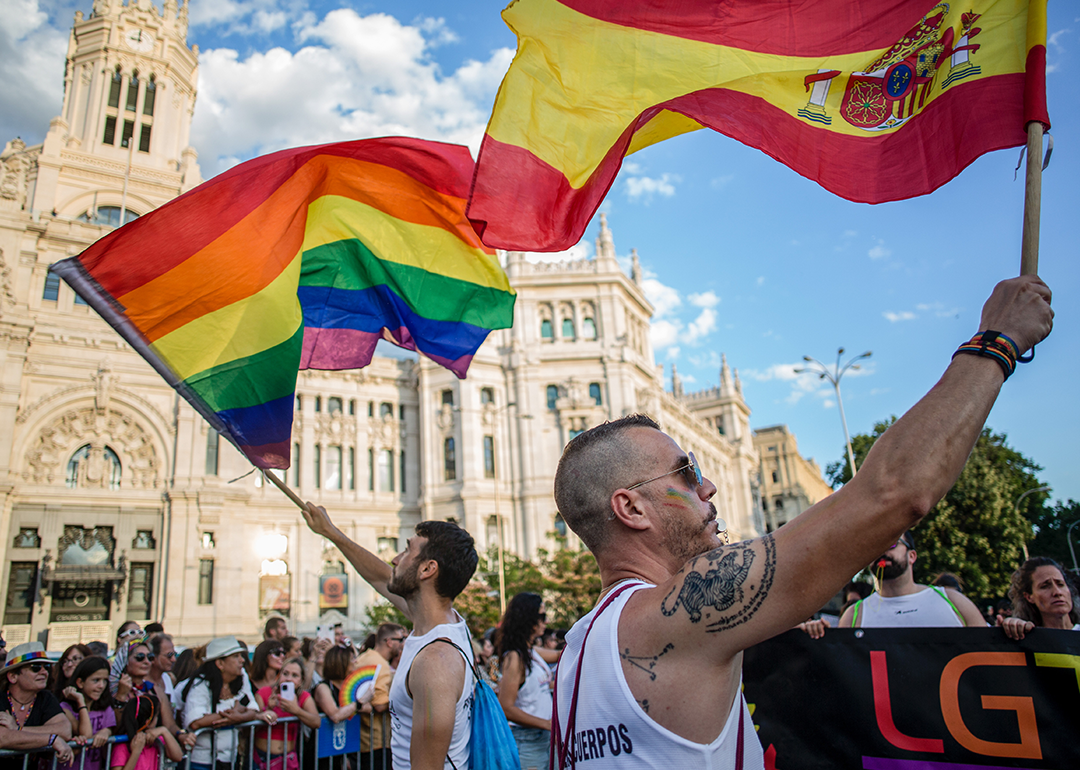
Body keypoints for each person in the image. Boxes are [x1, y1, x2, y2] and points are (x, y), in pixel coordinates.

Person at [547, 276, 1053, 769]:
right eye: (687, 472)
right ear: (631, 509)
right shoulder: (681, 613)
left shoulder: (576, 653)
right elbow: (893, 495)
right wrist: (996, 342)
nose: (709, 487)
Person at [302, 507, 478, 770]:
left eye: (407, 550)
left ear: (428, 569)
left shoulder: (435, 661)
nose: (395, 559)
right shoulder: (443, 622)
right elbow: (380, 576)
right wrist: (330, 532)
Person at [837, 531, 985, 628]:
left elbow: (990, 654)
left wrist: (1007, 629)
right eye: (874, 547)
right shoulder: (852, 617)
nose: (881, 551)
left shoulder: (953, 601)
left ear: (912, 556)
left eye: (892, 544)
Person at [181, 636, 269, 770]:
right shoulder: (201, 684)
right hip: (202, 761)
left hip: (230, 758)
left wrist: (240, 717)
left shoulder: (242, 677)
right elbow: (196, 721)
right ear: (220, 664)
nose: (242, 660)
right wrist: (234, 714)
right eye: (235, 656)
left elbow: (252, 708)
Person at [496, 593, 558, 770]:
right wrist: (546, 723)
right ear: (528, 617)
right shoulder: (515, 657)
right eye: (542, 616)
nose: (546, 621)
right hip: (527, 741)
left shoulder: (530, 652)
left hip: (543, 739)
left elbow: (561, 655)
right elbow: (505, 707)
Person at [0, 642, 74, 768]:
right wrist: (51, 739)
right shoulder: (1, 698)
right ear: (13, 676)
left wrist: (17, 730)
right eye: (35, 667)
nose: (44, 672)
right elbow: (2, 737)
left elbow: (65, 730)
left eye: (46, 667)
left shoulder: (45, 698)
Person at [114, 637, 193, 750]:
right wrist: (120, 697)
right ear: (125, 661)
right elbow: (115, 727)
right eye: (140, 657)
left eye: (150, 657)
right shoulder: (115, 689)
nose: (146, 662)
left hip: (150, 754)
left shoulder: (155, 690)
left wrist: (181, 735)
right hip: (124, 753)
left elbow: (169, 724)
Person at [310, 646, 373, 770]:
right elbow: (335, 715)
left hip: (344, 748)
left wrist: (353, 707)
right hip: (323, 750)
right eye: (352, 659)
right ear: (340, 662)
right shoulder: (323, 688)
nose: (356, 661)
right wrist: (358, 704)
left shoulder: (350, 687)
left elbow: (368, 708)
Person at [253, 657, 321, 770]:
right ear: (279, 675)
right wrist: (268, 708)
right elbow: (252, 727)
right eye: (285, 673)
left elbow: (316, 722)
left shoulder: (303, 697)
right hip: (262, 758)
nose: (289, 679)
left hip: (287, 760)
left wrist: (296, 710)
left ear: (301, 681)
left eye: (295, 675)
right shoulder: (264, 693)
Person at [355, 624, 404, 770]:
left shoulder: (363, 657)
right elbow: (380, 704)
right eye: (400, 640)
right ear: (389, 642)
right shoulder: (380, 664)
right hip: (377, 740)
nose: (402, 644)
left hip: (362, 738)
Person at [1001, 556, 1080, 639]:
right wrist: (1009, 630)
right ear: (1029, 597)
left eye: (1060, 584)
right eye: (1045, 586)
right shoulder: (1028, 639)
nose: (1057, 592)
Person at [59, 657, 116, 770]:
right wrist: (81, 701)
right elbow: (86, 736)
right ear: (80, 682)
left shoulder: (106, 709)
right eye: (96, 680)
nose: (101, 685)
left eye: (105, 680)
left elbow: (111, 729)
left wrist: (107, 731)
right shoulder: (65, 708)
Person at [109, 693, 183, 770]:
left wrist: (164, 731)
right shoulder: (122, 746)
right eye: (156, 716)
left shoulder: (155, 740)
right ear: (148, 721)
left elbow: (178, 757)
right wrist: (136, 752)